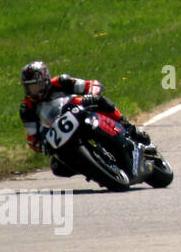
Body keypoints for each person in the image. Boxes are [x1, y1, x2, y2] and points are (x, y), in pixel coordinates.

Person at [19, 61, 155, 177]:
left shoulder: (61, 82)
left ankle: (129, 127)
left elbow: (92, 84)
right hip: (59, 133)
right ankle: (93, 170)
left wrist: (92, 95)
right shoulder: (27, 108)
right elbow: (32, 138)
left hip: (80, 112)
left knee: (102, 101)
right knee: (57, 168)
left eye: (35, 86)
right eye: (29, 88)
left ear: (45, 80)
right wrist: (41, 146)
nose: (33, 91)